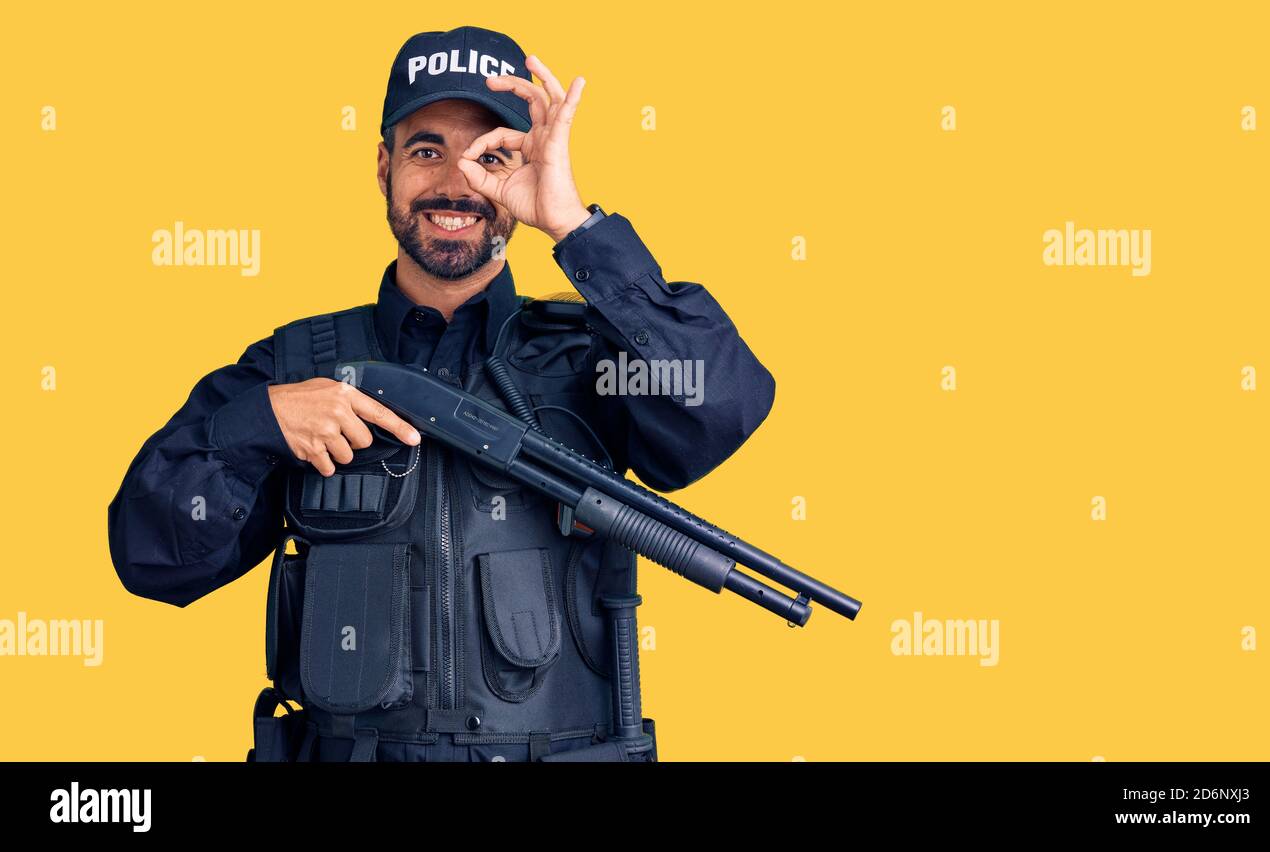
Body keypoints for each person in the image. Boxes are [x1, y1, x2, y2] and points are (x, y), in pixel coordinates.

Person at [107, 25, 775, 762]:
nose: (457, 184)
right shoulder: (297, 363)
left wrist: (574, 225)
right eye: (427, 151)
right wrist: (255, 425)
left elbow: (725, 406)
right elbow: (148, 557)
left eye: (492, 157)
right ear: (385, 166)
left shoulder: (594, 352)